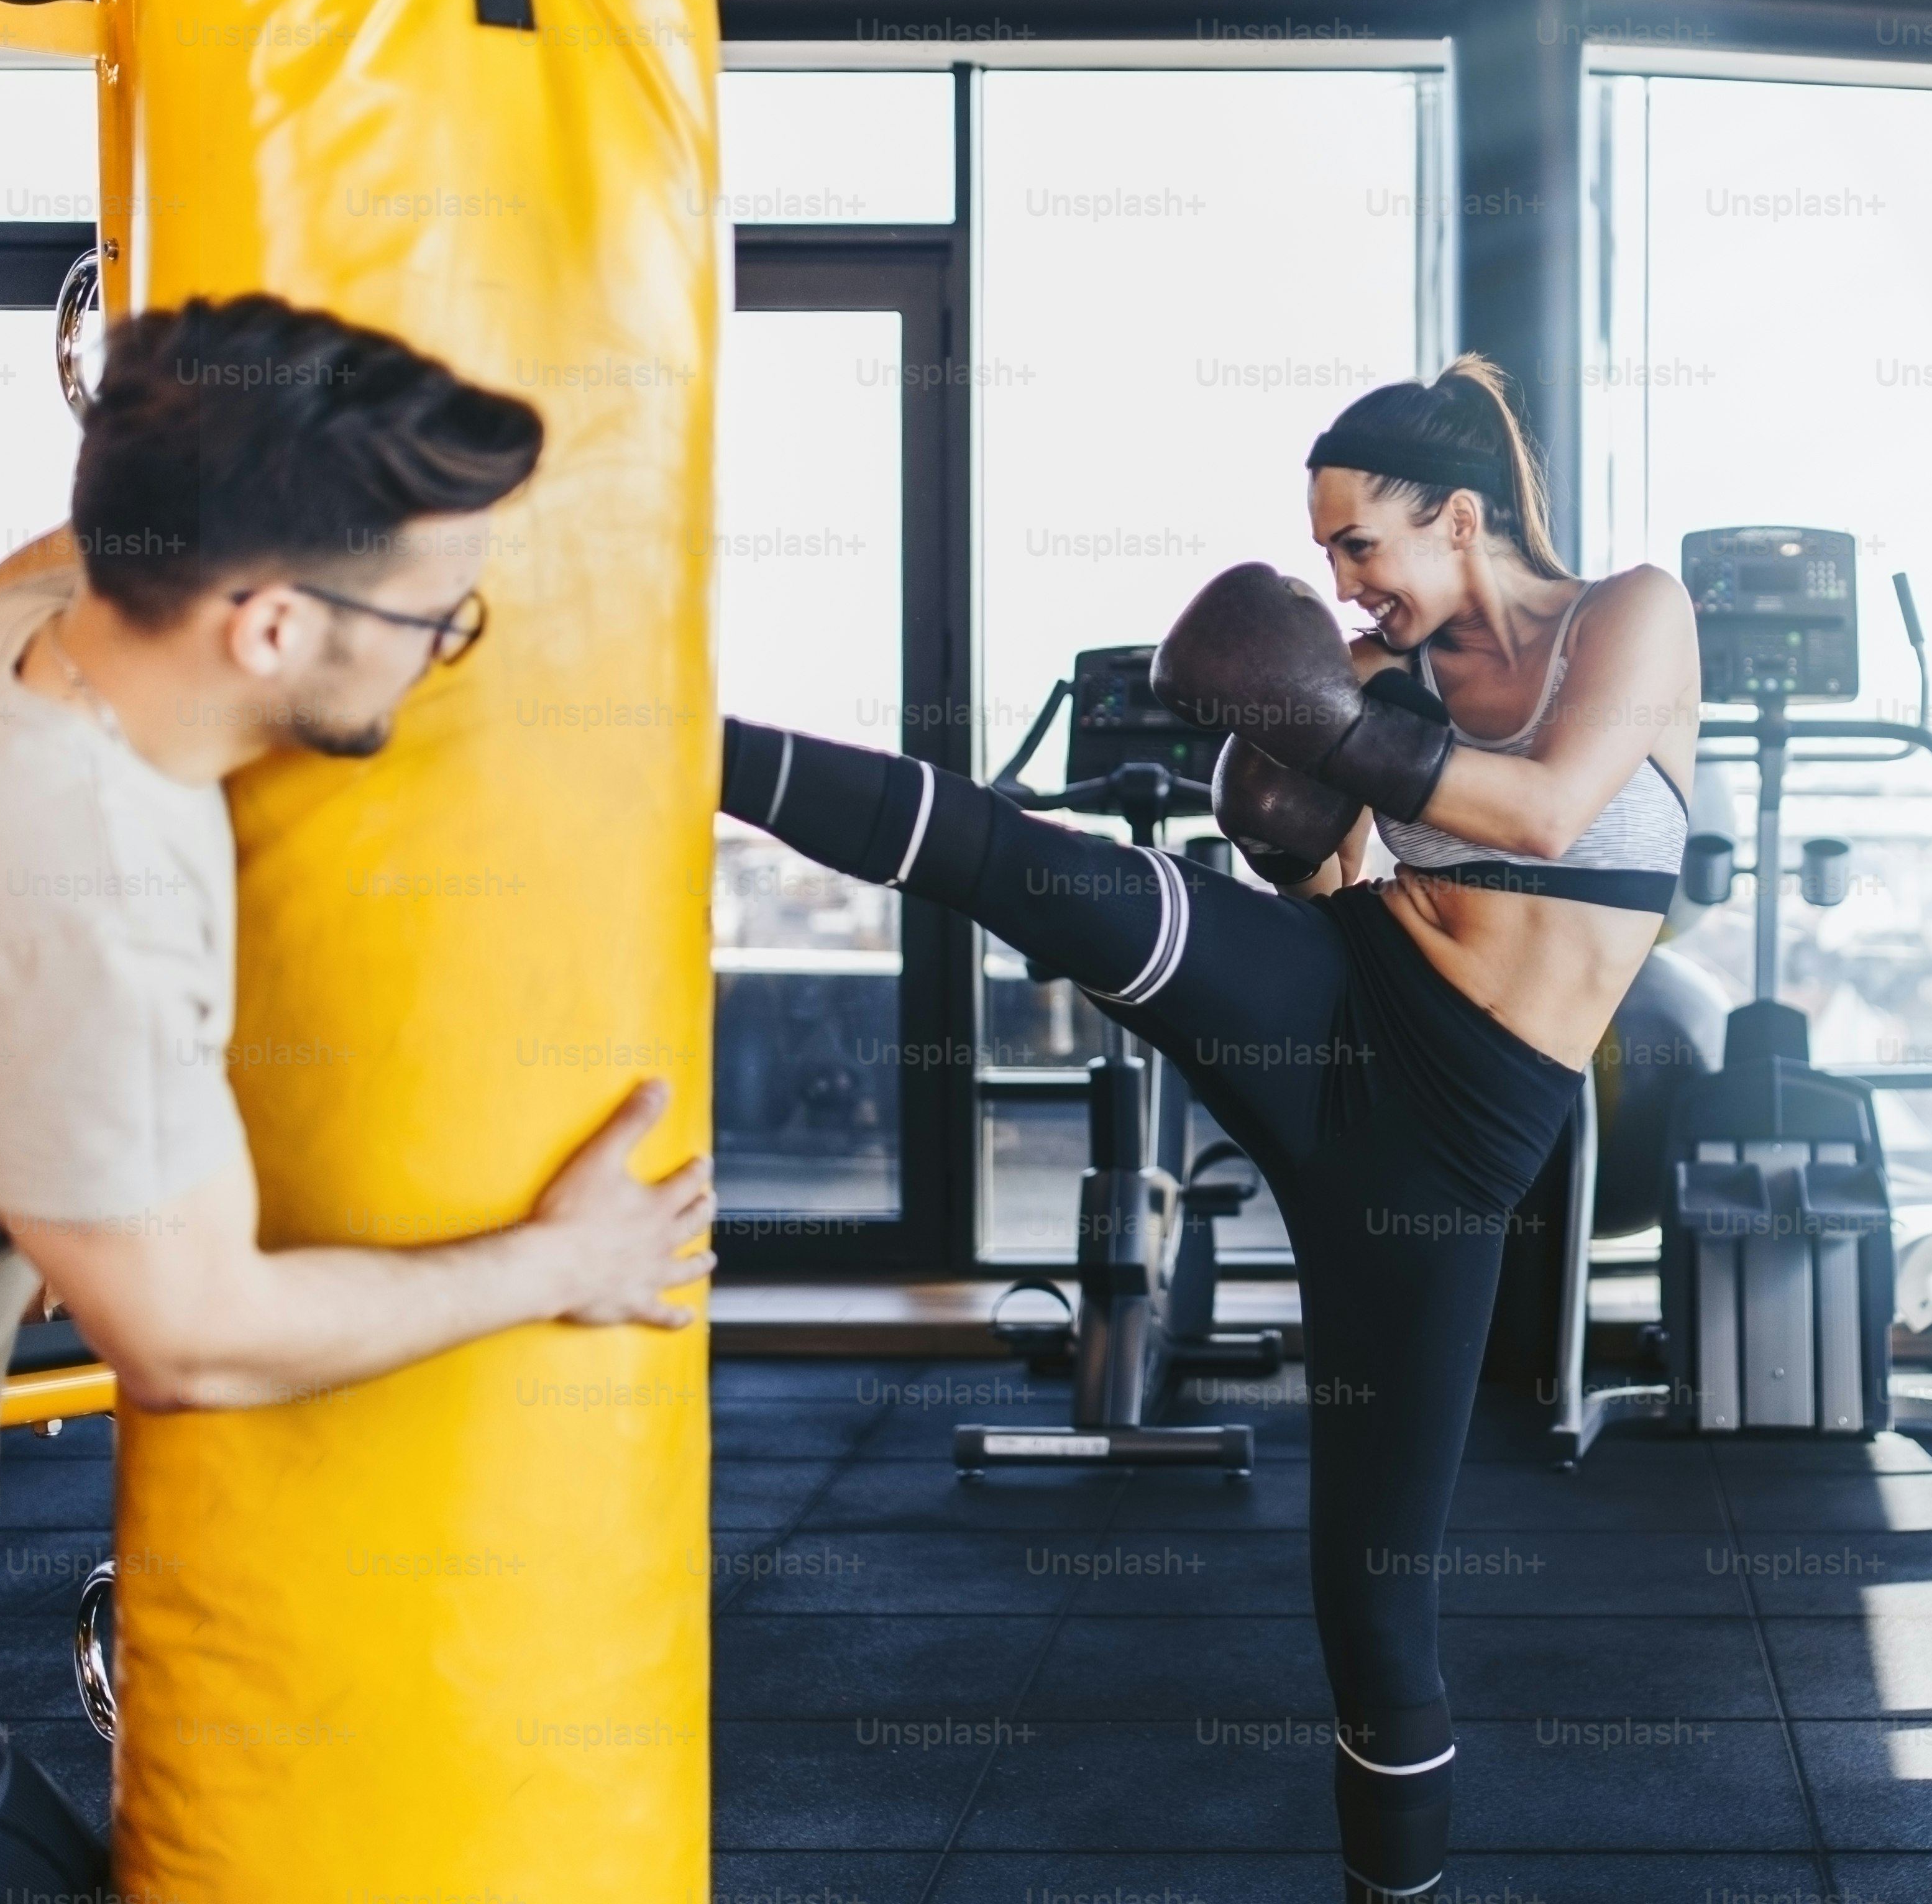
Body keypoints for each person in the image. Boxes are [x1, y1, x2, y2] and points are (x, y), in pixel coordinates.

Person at [0, 296, 708, 1902]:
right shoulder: (72, 875)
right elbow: (192, 1337)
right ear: (266, 624)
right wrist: (565, 1265)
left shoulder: (25, 619)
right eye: (435, 622)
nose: (443, 651)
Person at [721, 354, 1697, 1904]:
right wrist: (1288, 820)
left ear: (1457, 518)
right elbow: (1335, 876)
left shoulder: (1629, 614)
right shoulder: (1397, 678)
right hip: (1335, 996)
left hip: (1454, 1144)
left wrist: (1330, 722)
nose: (1345, 588)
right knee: (1012, 859)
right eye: (1322, 563)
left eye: (1358, 549)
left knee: (1374, 1600)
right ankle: (689, 754)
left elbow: (1551, 815)